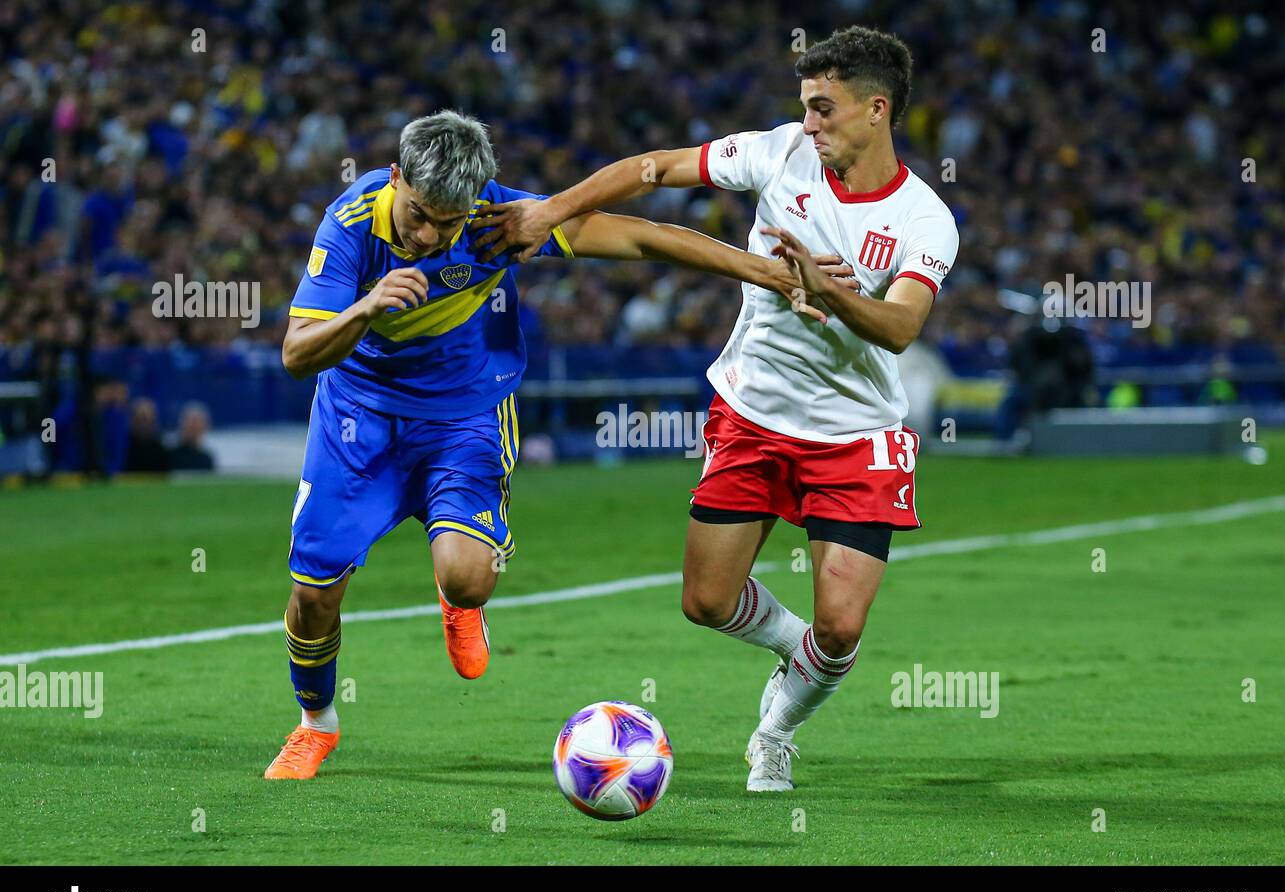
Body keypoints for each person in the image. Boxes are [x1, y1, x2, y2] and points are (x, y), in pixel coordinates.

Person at [265, 110, 853, 780]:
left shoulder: (499, 223)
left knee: (468, 573)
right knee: (314, 592)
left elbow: (642, 239)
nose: (429, 237)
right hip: (359, 423)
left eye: (447, 223)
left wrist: (766, 272)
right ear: (396, 177)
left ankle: (461, 601)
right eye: (420, 215)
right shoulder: (348, 226)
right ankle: (316, 725)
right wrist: (364, 308)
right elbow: (296, 355)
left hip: (464, 418)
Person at [471, 27, 959, 791]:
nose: (809, 125)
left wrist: (825, 288)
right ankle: (799, 652)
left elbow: (899, 328)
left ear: (877, 109)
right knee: (706, 601)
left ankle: (775, 732)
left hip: (856, 435)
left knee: (843, 624)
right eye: (804, 107)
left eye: (824, 109)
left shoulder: (925, 221)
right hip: (752, 413)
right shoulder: (777, 154)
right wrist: (551, 210)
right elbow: (652, 169)